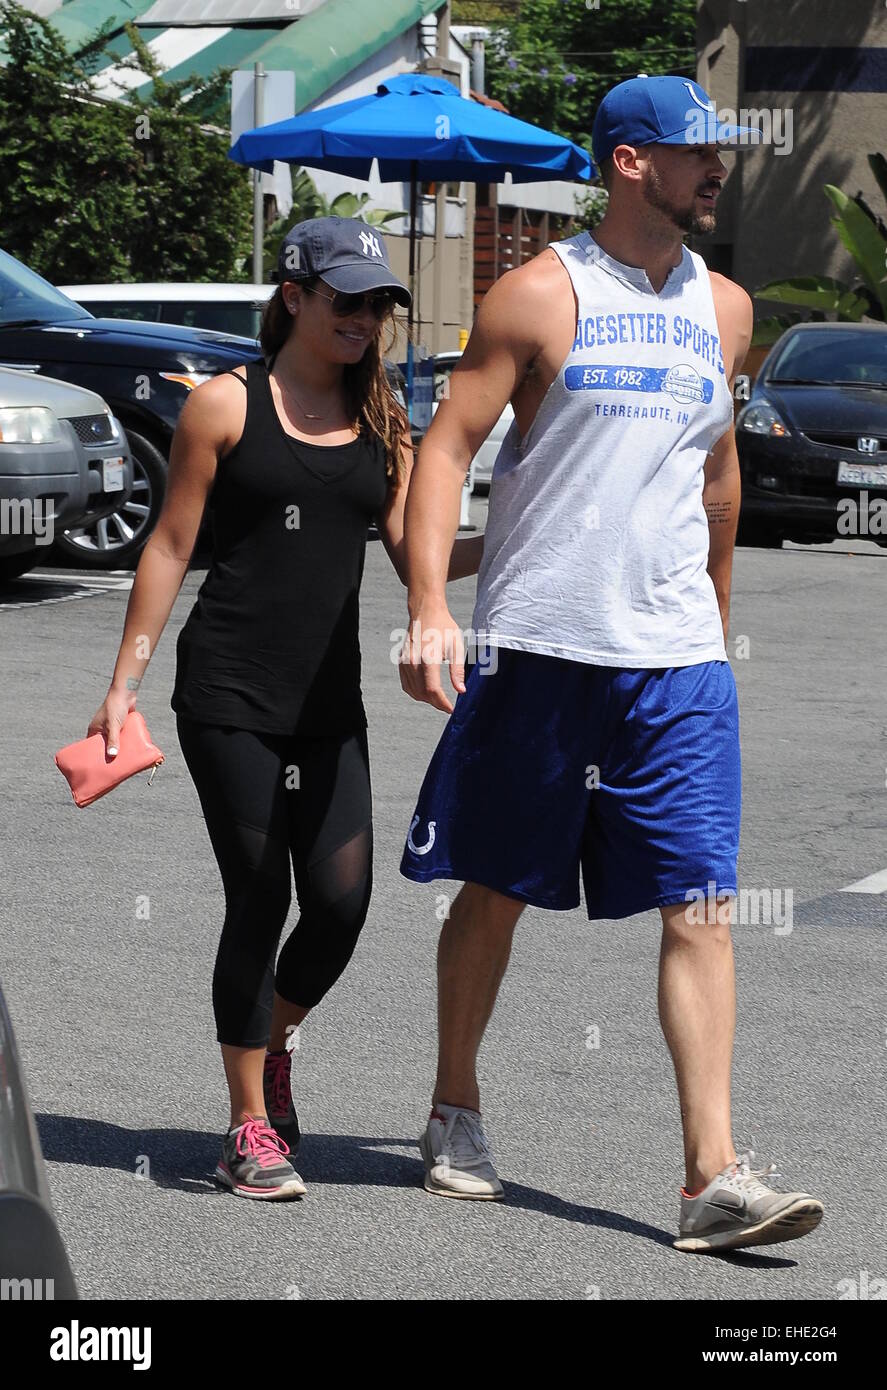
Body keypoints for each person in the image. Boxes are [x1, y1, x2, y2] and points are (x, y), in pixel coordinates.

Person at [397, 77, 824, 1253]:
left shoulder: (725, 309)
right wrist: (432, 604)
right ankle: (453, 1105)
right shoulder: (538, 293)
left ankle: (709, 1176)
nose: (717, 170)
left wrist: (714, 631)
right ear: (629, 161)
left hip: (675, 664)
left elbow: (718, 476)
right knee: (496, 889)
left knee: (699, 905)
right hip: (542, 646)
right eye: (697, 153)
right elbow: (444, 452)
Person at [88, 216, 483, 1200]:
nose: (361, 321)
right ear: (293, 296)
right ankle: (246, 1128)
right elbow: (170, 546)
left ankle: (274, 1038)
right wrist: (123, 680)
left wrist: (514, 540)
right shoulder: (223, 409)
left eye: (375, 307)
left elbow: (413, 553)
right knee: (260, 897)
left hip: (324, 702)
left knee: (342, 902)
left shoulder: (382, 417)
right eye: (344, 301)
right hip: (224, 690)